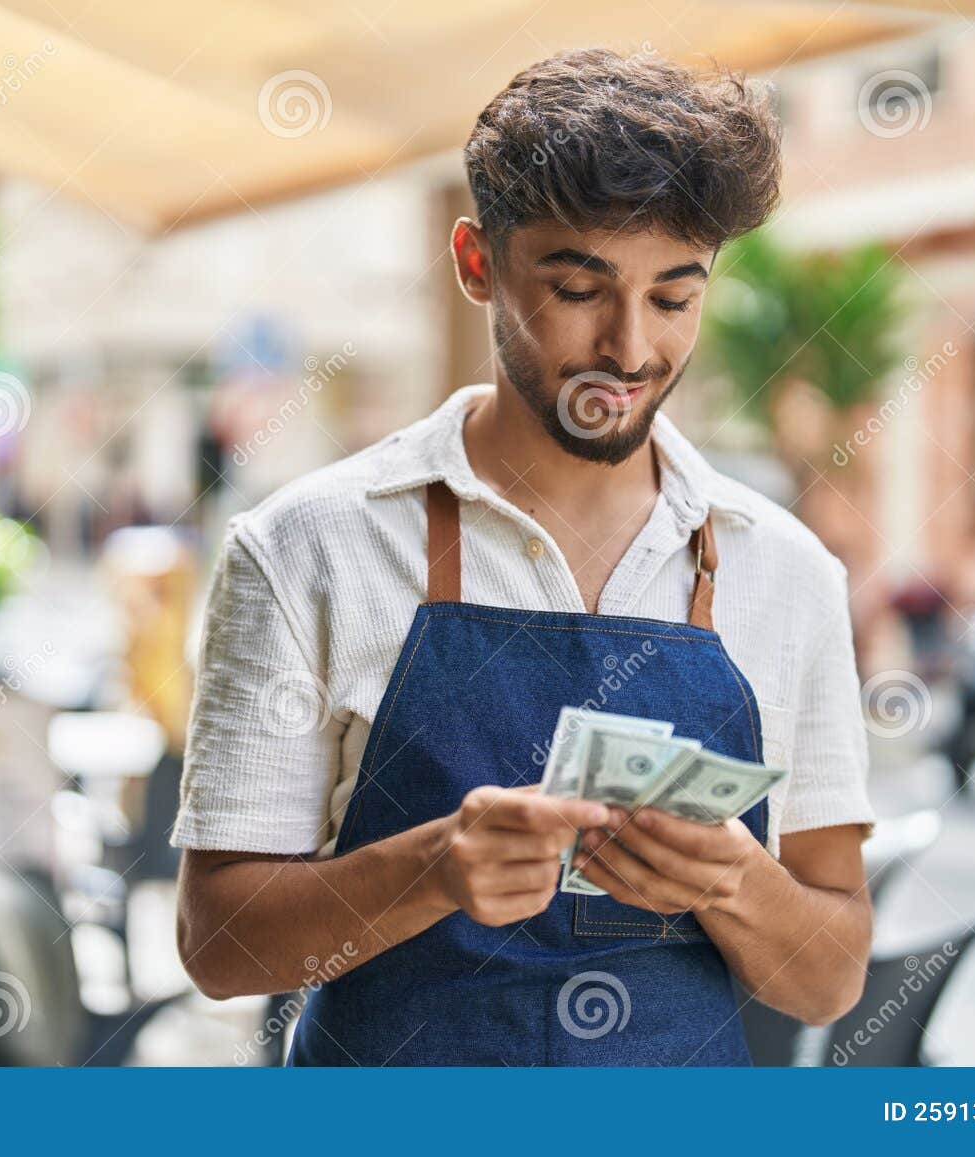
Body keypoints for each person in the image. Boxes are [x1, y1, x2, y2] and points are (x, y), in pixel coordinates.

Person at [173, 48, 876, 1066]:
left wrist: (729, 876)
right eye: (578, 287)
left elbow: (829, 976)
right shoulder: (306, 550)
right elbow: (219, 945)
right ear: (476, 263)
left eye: (673, 298)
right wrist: (431, 869)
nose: (629, 349)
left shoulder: (789, 574)